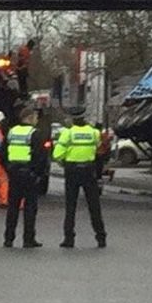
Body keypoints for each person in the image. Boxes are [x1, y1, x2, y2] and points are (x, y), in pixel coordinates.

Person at [53, 106, 107, 248]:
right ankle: (101, 237)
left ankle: (69, 238)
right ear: (85, 117)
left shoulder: (68, 133)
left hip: (72, 170)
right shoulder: (94, 133)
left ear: (72, 118)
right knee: (94, 205)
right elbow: (100, 149)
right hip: (89, 170)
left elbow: (57, 154)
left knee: (70, 206)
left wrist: (64, 162)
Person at [1, 107, 48, 248]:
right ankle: (28, 239)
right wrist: (38, 173)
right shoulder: (35, 134)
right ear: (29, 117)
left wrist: (8, 168)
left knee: (13, 208)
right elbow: (41, 156)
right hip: (29, 174)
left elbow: (3, 152)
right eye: (35, 117)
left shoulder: (11, 132)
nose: (36, 120)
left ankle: (8, 239)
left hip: (14, 173)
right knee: (30, 208)